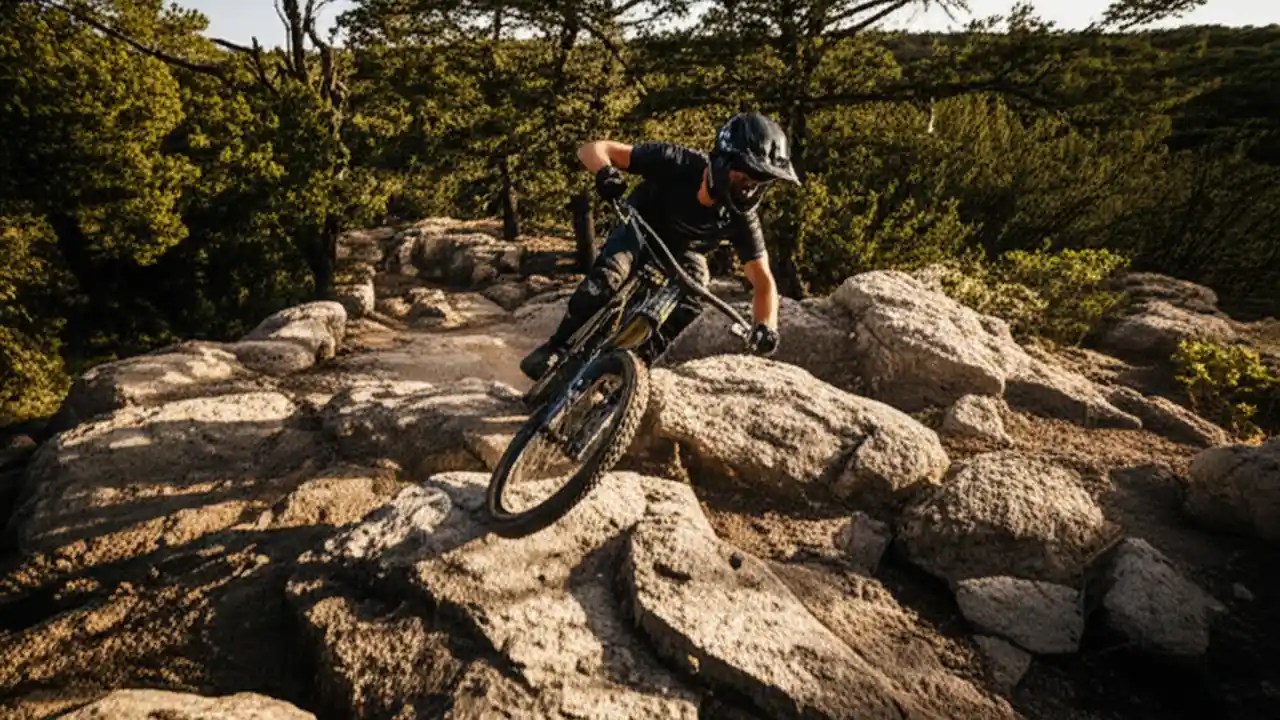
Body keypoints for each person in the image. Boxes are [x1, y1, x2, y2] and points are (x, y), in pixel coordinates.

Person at [519, 111, 800, 381]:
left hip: (683, 255)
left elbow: (763, 280)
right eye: (744, 176)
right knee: (609, 277)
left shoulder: (742, 218)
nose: (748, 188)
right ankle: (556, 347)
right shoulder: (677, 162)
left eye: (759, 182)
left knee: (693, 302)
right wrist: (605, 173)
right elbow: (592, 149)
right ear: (722, 162)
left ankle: (630, 372)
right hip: (640, 229)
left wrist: (766, 327)